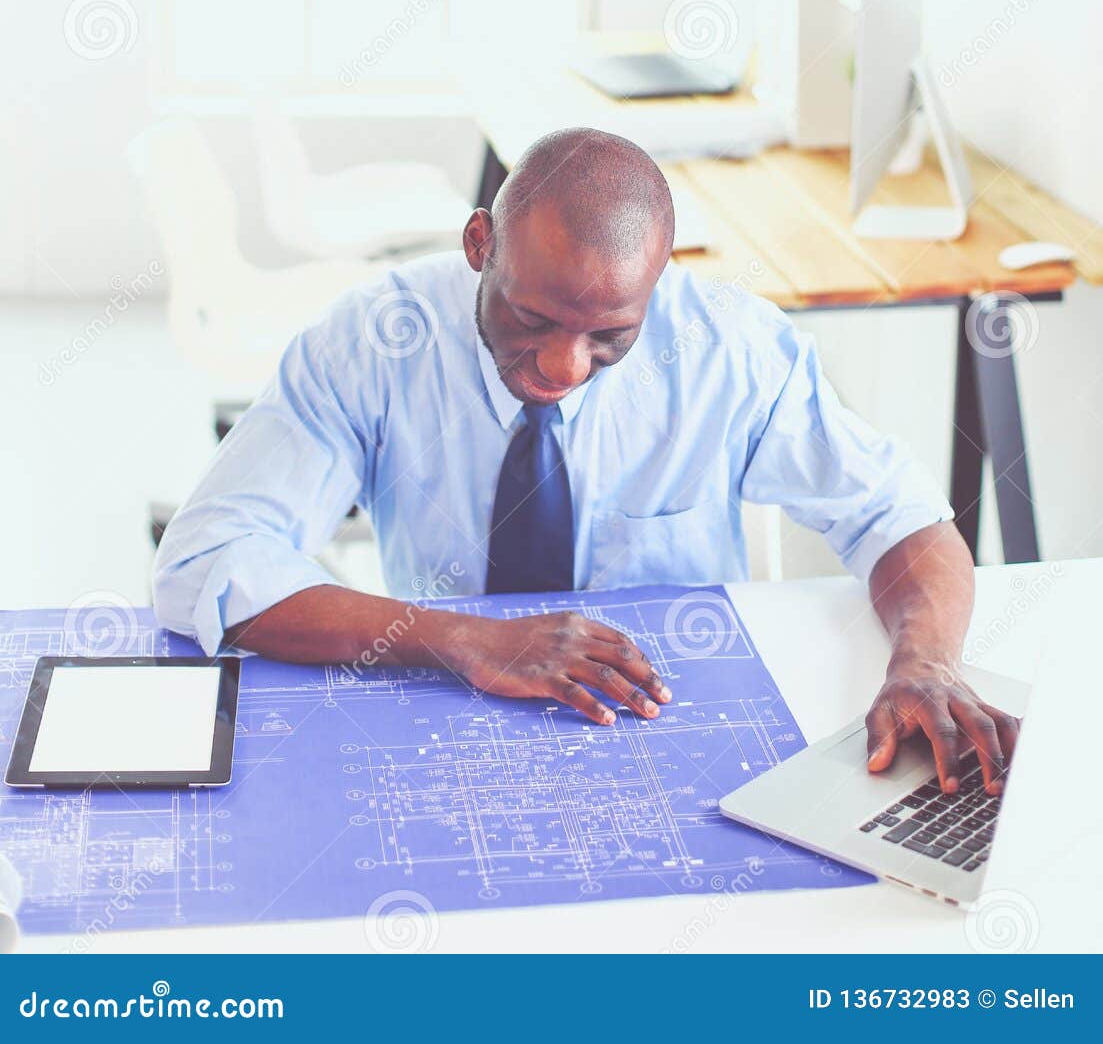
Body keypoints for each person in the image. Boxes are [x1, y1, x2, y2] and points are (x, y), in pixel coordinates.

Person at [155, 128, 1017, 795]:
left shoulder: (730, 350)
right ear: (478, 244)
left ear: (656, 282)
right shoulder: (374, 342)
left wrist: (925, 661)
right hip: (449, 702)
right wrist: (462, 639)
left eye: (610, 335)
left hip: (675, 718)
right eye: (533, 320)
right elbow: (205, 563)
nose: (563, 369)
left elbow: (897, 516)